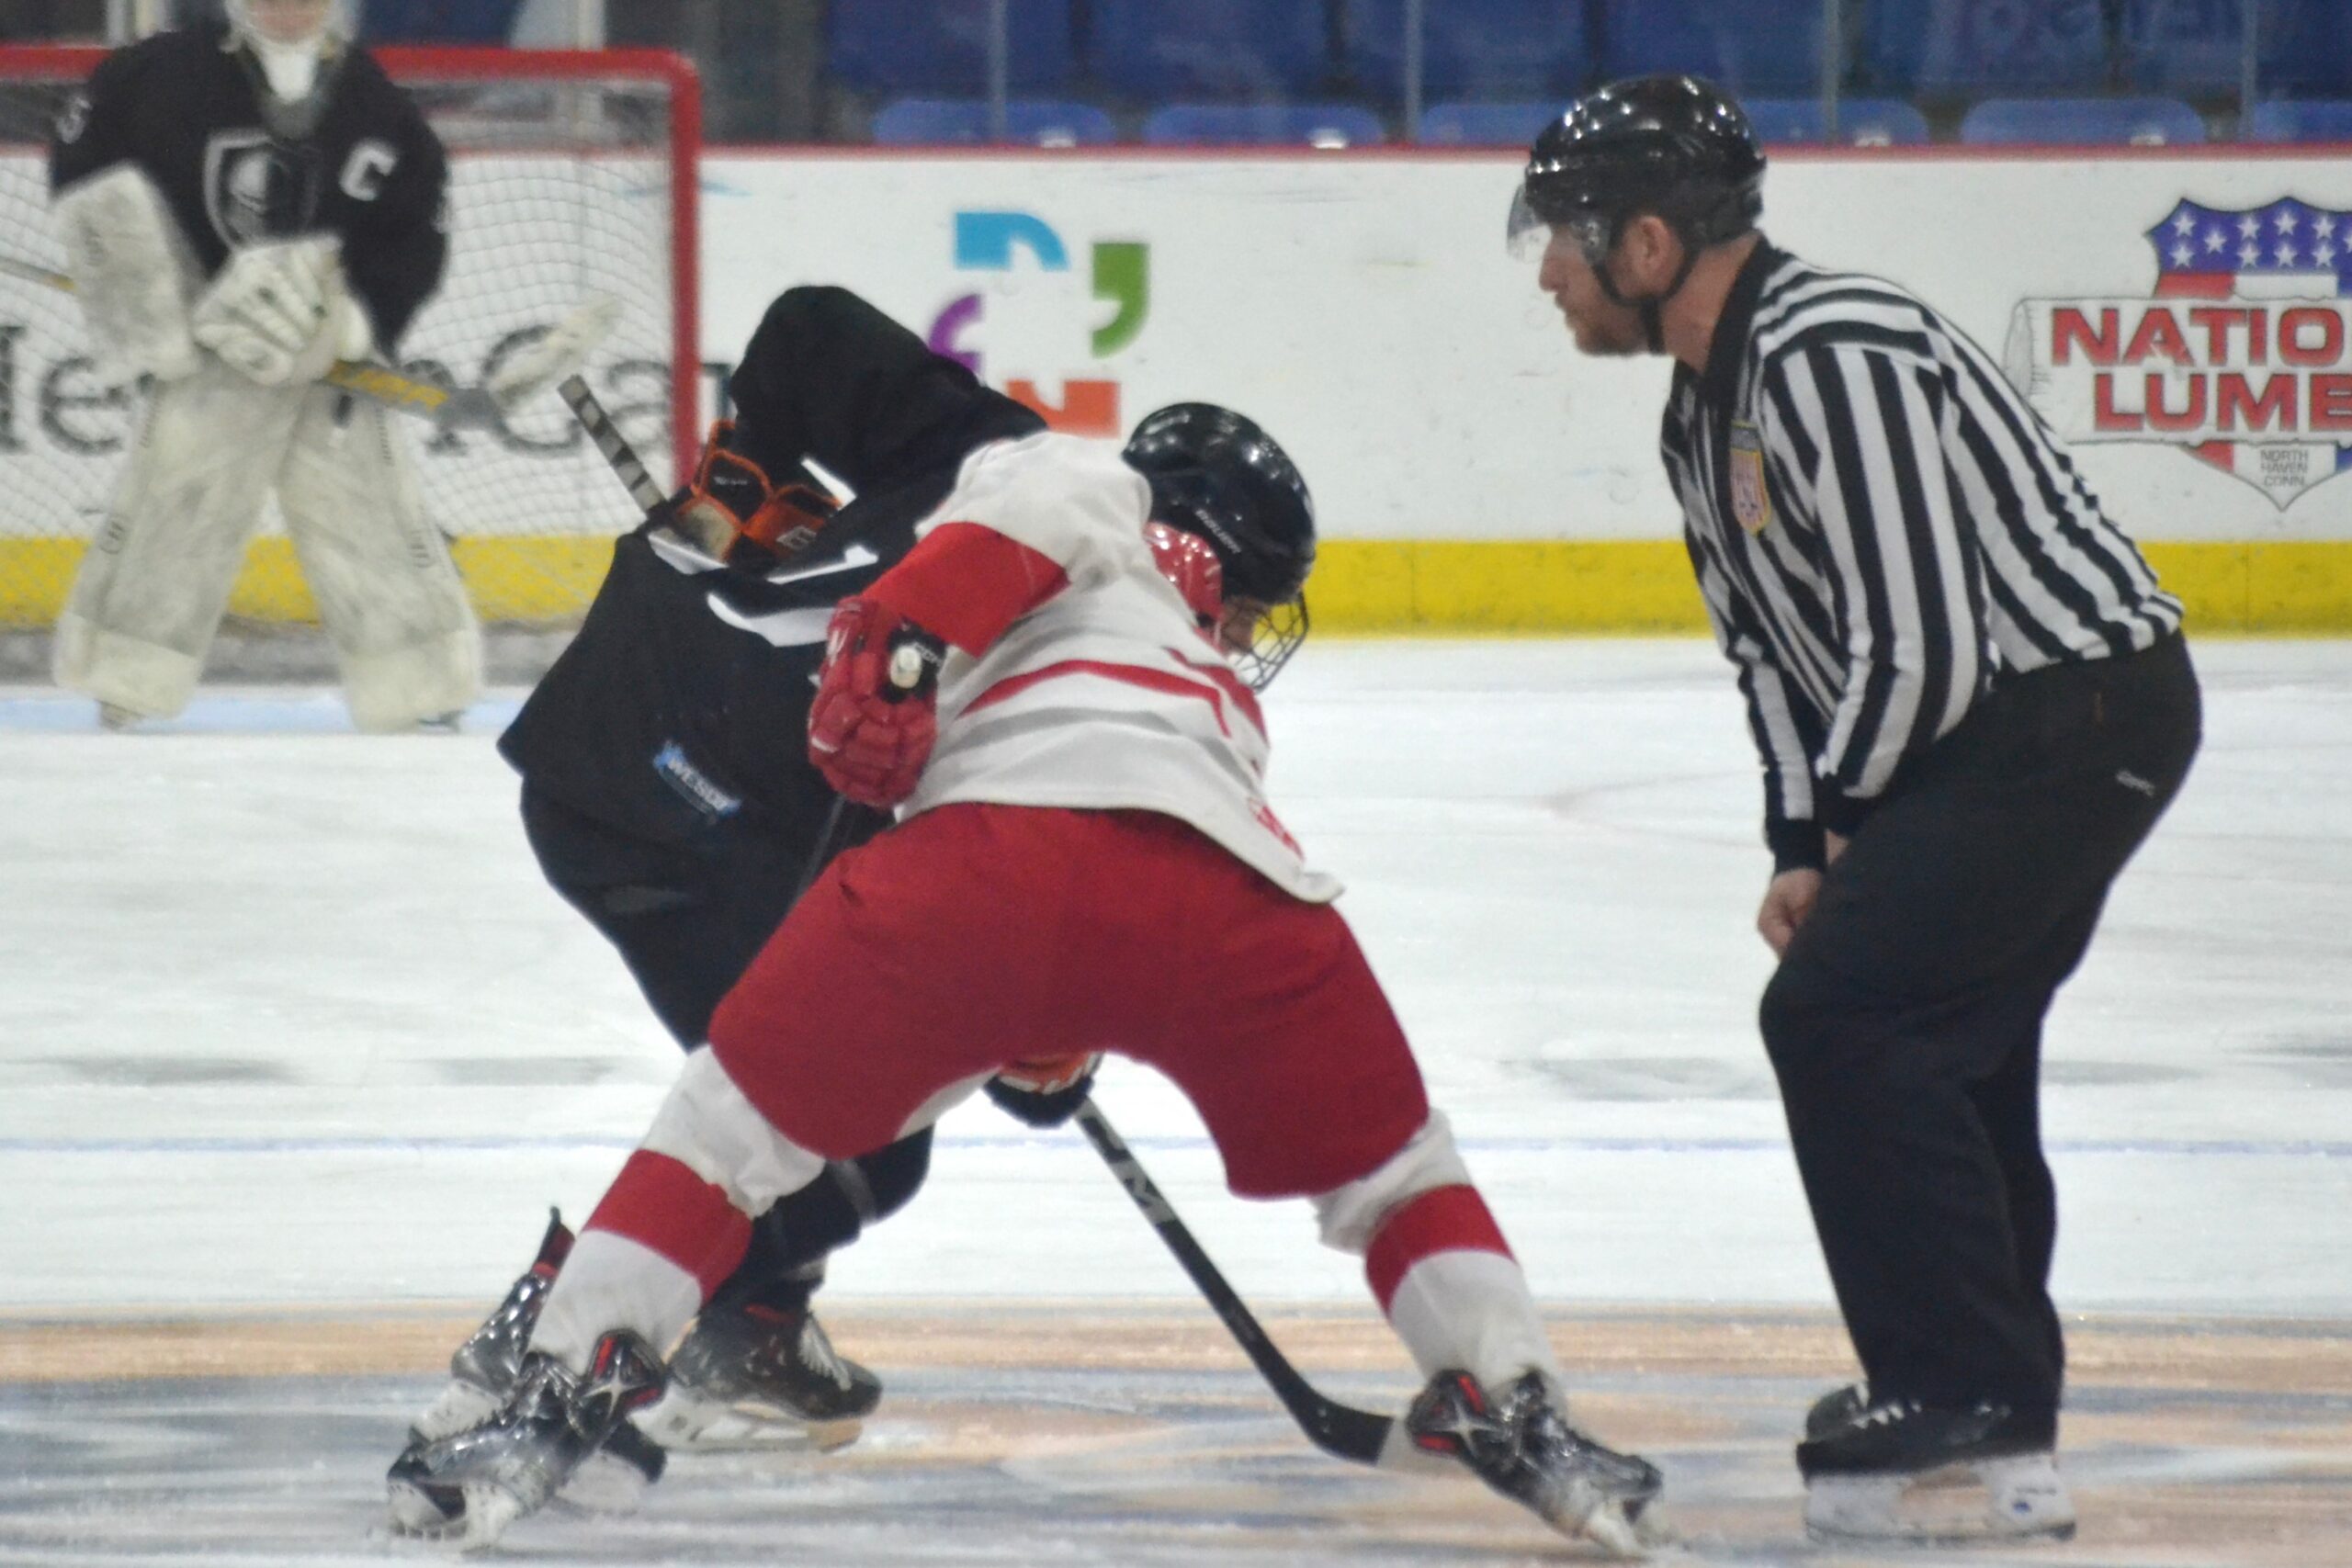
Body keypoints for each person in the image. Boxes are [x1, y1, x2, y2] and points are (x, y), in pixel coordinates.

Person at [385, 338, 1667, 1556]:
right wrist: (1061, 1013)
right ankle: (1519, 1398)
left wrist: (888, 656)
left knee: (727, 1136)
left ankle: (560, 1383)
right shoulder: (1187, 645)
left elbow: (996, 762)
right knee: (1395, 1170)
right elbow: (1126, 872)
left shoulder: (1066, 475)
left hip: (977, 874)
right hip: (1238, 893)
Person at [1511, 75, 2201, 1542]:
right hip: (1992, 734)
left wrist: (1853, 838)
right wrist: (1801, 841)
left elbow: (1924, 643)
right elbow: (1771, 648)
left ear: (1648, 244)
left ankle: (1956, 1383)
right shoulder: (1703, 412)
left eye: (1564, 240)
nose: (1548, 274)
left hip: (2068, 716)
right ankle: (1991, 1404)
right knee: (1944, 1040)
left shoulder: (1835, 345)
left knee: (1841, 1014)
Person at [398, 287, 1104, 1488]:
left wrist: (746, 489)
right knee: (856, 1134)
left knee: (848, 1084)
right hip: (664, 815)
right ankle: (575, 1314)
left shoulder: (1006, 462)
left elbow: (812, 327)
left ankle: (751, 1320)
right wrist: (1049, 1048)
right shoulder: (1075, 657)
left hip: (641, 761)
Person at [46, 0, 479, 732]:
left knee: (365, 513)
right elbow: (82, 170)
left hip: (323, 368)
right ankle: (127, 677)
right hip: (205, 358)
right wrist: (143, 290)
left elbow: (416, 229)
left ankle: (418, 683)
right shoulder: (153, 75)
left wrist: (357, 319)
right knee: (176, 503)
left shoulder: (375, 103)